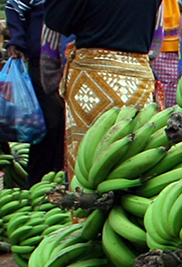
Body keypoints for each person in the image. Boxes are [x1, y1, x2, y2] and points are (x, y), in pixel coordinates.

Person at [43, 0, 159, 180]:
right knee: (132, 163)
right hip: (137, 78)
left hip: (91, 80)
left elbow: (56, 19)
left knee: (88, 168)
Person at [4, 0, 65, 187]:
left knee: (65, 124)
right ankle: (37, 182)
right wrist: (17, 39)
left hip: (75, 57)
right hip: (44, 60)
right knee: (49, 123)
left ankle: (60, 178)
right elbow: (14, 6)